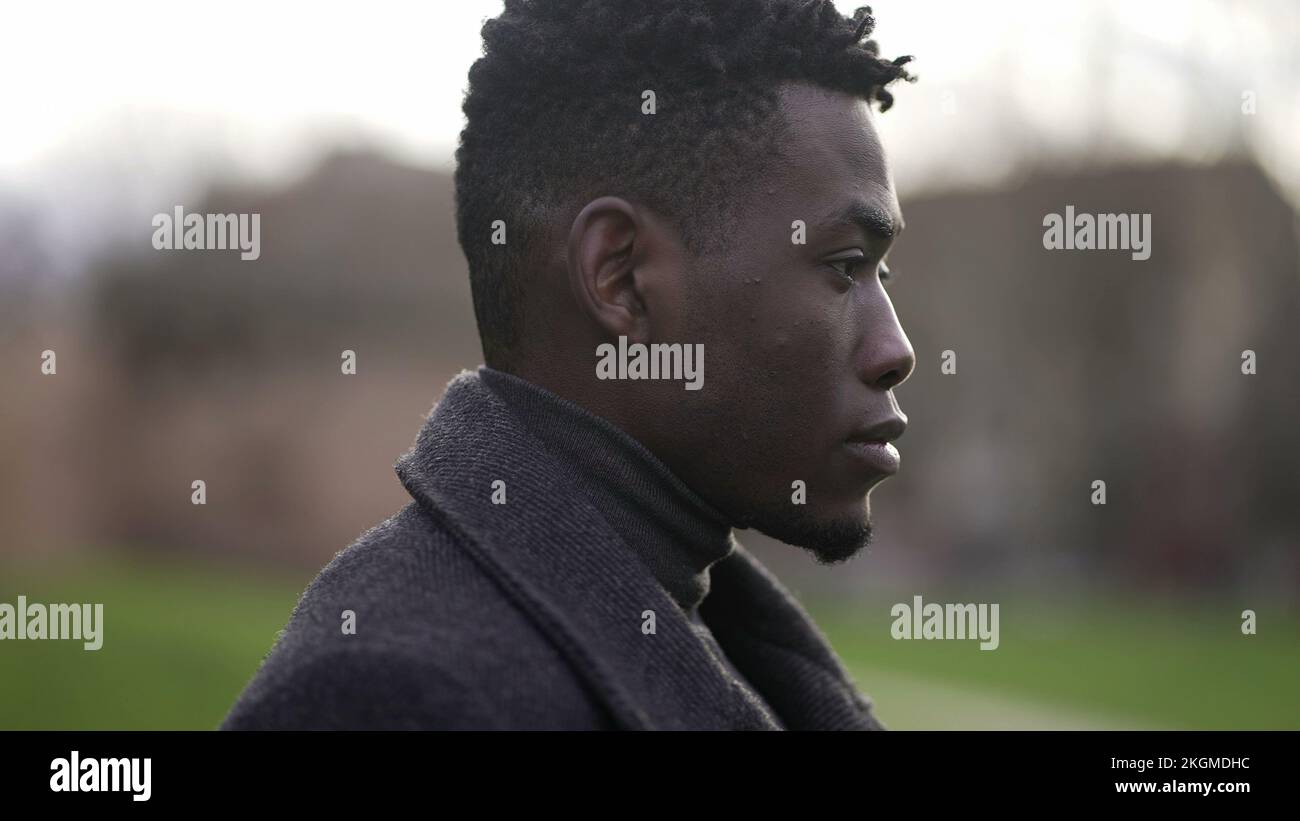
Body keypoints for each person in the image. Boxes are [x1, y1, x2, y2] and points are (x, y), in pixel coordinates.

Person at [222, 0, 916, 730]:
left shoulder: (723, 635)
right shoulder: (392, 697)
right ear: (620, 278)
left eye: (883, 277)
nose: (895, 349)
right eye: (845, 266)